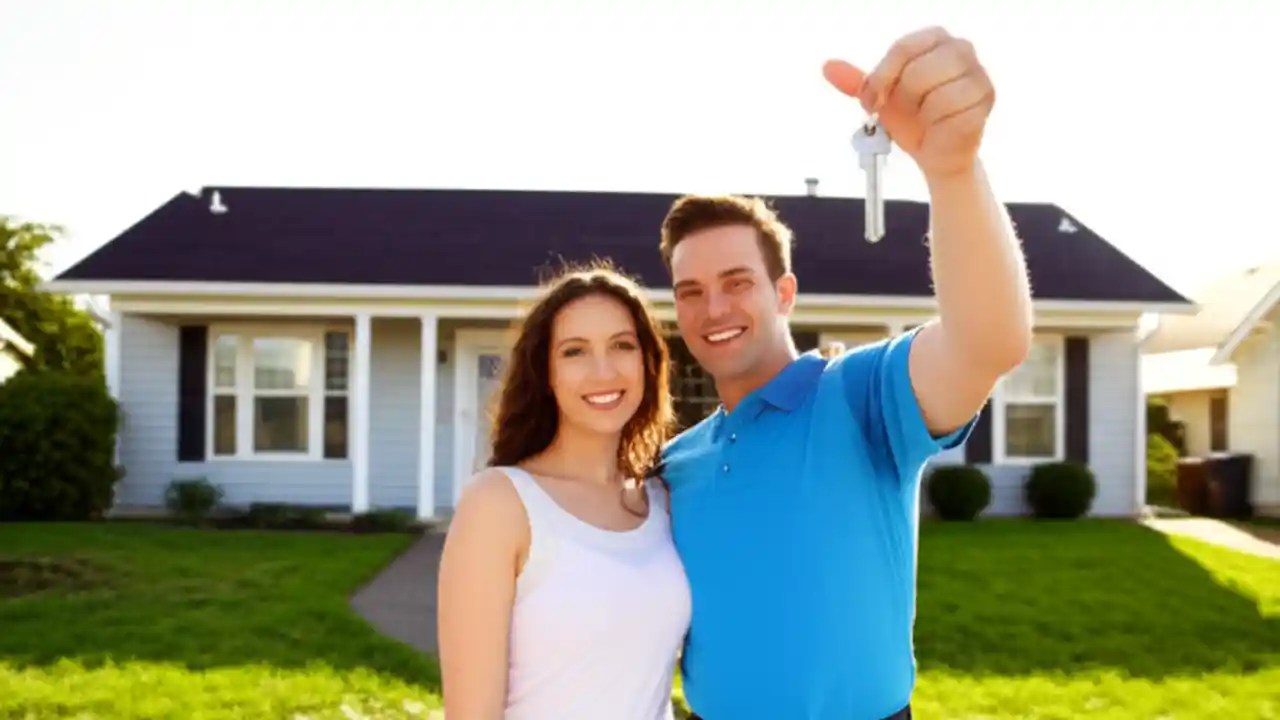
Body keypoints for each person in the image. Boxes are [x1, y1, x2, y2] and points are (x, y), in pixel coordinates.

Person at [658, 27, 1033, 720]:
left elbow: (988, 343)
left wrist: (952, 172)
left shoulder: (858, 396)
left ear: (785, 292)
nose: (713, 309)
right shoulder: (676, 462)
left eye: (738, 281)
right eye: (690, 291)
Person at [436, 262, 692, 719]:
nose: (603, 370)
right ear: (546, 374)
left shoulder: (663, 500)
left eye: (622, 345)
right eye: (574, 352)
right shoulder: (500, 505)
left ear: (647, 362)